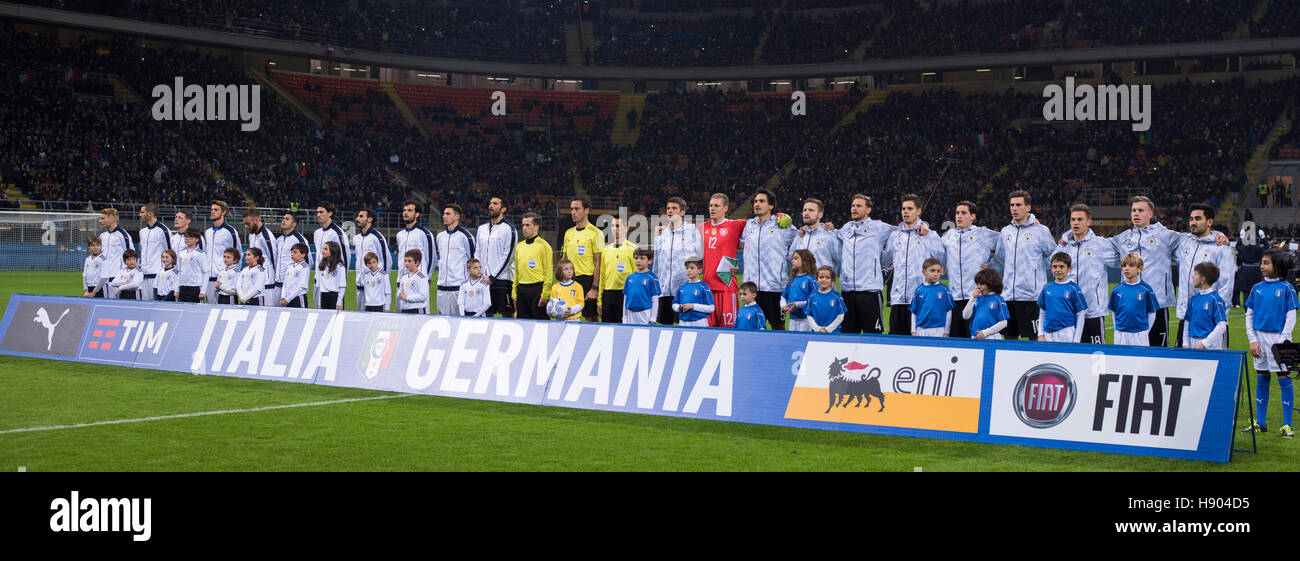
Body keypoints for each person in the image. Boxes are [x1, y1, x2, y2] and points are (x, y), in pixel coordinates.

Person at [1244, 248, 1299, 436]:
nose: (1262, 266)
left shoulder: (1287, 289)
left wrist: (1283, 340)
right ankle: (1260, 423)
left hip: (1279, 340)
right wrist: (1253, 340)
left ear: (1278, 266)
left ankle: (1287, 424)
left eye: (1266, 263)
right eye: (1262, 262)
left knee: (1283, 378)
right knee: (1262, 376)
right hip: (1259, 339)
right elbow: (1249, 316)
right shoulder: (1256, 288)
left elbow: (1291, 316)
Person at [993, 190, 1056, 340]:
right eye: (1012, 205)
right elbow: (999, 259)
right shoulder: (1005, 231)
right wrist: (986, 268)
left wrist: (1038, 267)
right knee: (1009, 339)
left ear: (1028, 207)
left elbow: (1054, 256)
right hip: (1008, 296)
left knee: (1035, 340)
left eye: (1018, 205)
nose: (1014, 208)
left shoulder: (1041, 231)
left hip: (1032, 297)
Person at [1173, 204, 1236, 349]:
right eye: (1191, 219)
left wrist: (1220, 315)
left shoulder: (1220, 247)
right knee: (1182, 365)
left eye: (1198, 218)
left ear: (1210, 222)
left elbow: (1226, 285)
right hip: (1186, 316)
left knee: (1215, 365)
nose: (1193, 222)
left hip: (1210, 318)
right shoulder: (1184, 242)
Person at [1055, 204, 1120, 343]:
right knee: (1070, 356)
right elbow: (1051, 263)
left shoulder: (1100, 244)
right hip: (1069, 313)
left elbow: (1120, 260)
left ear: (1089, 222)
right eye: (1073, 220)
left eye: (1080, 219)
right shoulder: (1065, 248)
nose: (1076, 223)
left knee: (1096, 356)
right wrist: (1061, 243)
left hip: (1093, 313)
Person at [885, 194, 944, 335]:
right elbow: (886, 260)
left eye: (910, 208)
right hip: (898, 300)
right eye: (903, 208)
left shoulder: (930, 235)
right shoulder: (895, 235)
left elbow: (942, 259)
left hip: (921, 301)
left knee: (919, 345)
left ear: (918, 211)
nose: (905, 212)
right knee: (895, 344)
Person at [837, 194, 896, 334]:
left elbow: (902, 230)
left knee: (873, 336)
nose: (854, 209)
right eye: (853, 206)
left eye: (859, 206)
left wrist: (923, 225)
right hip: (847, 292)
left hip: (870, 292)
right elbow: (831, 234)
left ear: (868, 210)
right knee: (848, 336)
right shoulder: (846, 228)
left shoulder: (878, 227)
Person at [941, 200, 1000, 339]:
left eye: (963, 213)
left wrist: (993, 266)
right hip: (954, 297)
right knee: (956, 341)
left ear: (972, 216)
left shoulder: (982, 234)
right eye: (957, 213)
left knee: (976, 340)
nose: (959, 216)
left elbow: (1007, 241)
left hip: (976, 297)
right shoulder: (949, 236)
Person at [742, 188, 796, 330]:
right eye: (755, 201)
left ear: (771, 206)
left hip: (775, 288)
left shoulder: (782, 225)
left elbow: (801, 237)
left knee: (778, 327)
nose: (757, 204)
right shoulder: (749, 226)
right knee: (751, 328)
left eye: (762, 201)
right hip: (752, 289)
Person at [700, 193, 747, 327]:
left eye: (716, 206)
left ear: (725, 208)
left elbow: (760, 223)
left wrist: (778, 216)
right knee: (708, 332)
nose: (712, 209)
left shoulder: (735, 225)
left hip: (726, 287)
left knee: (729, 330)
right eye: (710, 205)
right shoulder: (702, 227)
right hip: (707, 288)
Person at [654, 197, 703, 326]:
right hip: (664, 290)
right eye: (668, 208)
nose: (670, 211)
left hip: (685, 290)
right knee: (665, 328)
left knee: (687, 327)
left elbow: (700, 256)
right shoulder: (661, 233)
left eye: (674, 208)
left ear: (682, 212)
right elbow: (657, 262)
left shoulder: (693, 231)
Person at [475, 195, 518, 317]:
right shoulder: (481, 229)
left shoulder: (509, 229)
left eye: (495, 203)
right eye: (490, 203)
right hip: (483, 279)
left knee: (507, 315)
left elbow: (508, 257)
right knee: (485, 315)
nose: (490, 206)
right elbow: (477, 252)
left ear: (503, 209)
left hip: (502, 281)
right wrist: (479, 273)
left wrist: (492, 277)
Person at [562, 198, 603, 322]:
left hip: (588, 280)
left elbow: (599, 263)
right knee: (568, 315)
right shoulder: (568, 233)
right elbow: (564, 260)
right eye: (572, 209)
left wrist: (594, 288)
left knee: (590, 317)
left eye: (577, 209)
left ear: (586, 211)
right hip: (571, 280)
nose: (573, 212)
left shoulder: (596, 233)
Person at [1108, 253, 1160, 346]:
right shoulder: (1116, 290)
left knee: (1141, 360)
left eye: (1131, 265)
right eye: (1124, 266)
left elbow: (1152, 312)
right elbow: (1114, 311)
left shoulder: (1146, 289)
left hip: (1140, 334)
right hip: (1121, 334)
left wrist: (1145, 331)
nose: (1126, 268)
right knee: (1120, 359)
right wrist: (1117, 328)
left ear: (1140, 269)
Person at [1036, 253, 1088, 343]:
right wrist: (1040, 333)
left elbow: (1081, 314)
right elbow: (1042, 313)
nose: (1058, 270)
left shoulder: (1073, 288)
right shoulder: (1046, 288)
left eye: (1061, 267)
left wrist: (1076, 339)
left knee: (1065, 357)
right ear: (1051, 268)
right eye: (1055, 267)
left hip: (1066, 332)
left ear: (1069, 269)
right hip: (1047, 332)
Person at [436, 204, 475, 316]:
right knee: (442, 321)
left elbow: (472, 260)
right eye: (444, 213)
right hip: (442, 287)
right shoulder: (440, 237)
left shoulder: (466, 236)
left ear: (457, 216)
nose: (444, 216)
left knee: (459, 321)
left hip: (458, 287)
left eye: (448, 214)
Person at [513, 212, 553, 320]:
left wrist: (545, 294)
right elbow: (516, 271)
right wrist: (514, 293)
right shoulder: (519, 246)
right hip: (521, 290)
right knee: (523, 324)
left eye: (527, 225)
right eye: (523, 225)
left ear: (536, 226)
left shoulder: (544, 246)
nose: (524, 228)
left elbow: (548, 273)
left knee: (541, 326)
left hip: (537, 290)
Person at [788, 198, 841, 278]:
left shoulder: (830, 235)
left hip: (821, 288)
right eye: (804, 210)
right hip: (801, 288)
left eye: (811, 210)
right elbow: (790, 259)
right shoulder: (799, 236)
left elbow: (840, 260)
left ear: (820, 215)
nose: (806, 213)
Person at [598, 216, 637, 324]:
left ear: (627, 228)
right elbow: (602, 277)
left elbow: (636, 276)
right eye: (613, 226)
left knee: (624, 329)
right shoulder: (605, 250)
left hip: (625, 295)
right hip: (608, 295)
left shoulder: (633, 249)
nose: (615, 228)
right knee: (606, 328)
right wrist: (599, 301)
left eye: (618, 226)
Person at [1183, 262, 1229, 350]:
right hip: (1193, 344)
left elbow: (1222, 325)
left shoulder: (1215, 299)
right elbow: (1187, 322)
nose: (1192, 277)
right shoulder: (1193, 299)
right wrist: (1185, 343)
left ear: (1203, 280)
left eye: (1195, 274)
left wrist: (1204, 343)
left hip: (1210, 345)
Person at [203, 200, 241, 303]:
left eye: (216, 210)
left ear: (223, 212)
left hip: (224, 278)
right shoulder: (208, 232)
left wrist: (235, 277)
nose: (212, 212)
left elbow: (238, 254)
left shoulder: (231, 232)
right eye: (211, 210)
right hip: (208, 278)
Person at [353, 209, 390, 311]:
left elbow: (386, 260)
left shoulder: (377, 237)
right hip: (359, 287)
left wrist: (383, 281)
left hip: (374, 288)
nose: (357, 219)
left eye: (361, 216)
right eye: (357, 216)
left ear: (369, 219)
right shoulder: (356, 238)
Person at [313, 202, 348, 308]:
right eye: (317, 212)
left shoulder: (337, 233)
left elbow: (345, 257)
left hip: (333, 283)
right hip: (319, 280)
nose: (318, 215)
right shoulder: (317, 233)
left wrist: (341, 278)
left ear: (330, 213)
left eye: (321, 212)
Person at [137, 203, 173, 302]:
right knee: (145, 306)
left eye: (142, 212)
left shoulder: (163, 231)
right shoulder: (142, 232)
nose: (139, 214)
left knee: (157, 306)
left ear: (150, 213)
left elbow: (170, 252)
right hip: (144, 276)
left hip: (158, 276)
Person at [244, 209, 279, 307]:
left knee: (267, 313)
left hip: (267, 283)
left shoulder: (266, 236)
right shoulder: (251, 235)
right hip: (254, 281)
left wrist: (273, 279)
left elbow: (274, 258)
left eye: (248, 223)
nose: (246, 226)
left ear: (256, 220)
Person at [910, 258, 953, 337]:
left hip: (939, 329)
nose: (936, 274)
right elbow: (914, 311)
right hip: (921, 329)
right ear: (924, 272)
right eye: (932, 270)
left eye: (938, 271)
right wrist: (913, 330)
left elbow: (949, 311)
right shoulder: (919, 290)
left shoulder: (944, 289)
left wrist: (946, 331)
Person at [275, 212, 311, 307]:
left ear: (294, 224)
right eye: (283, 218)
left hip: (293, 287)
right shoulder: (278, 240)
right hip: (278, 285)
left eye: (287, 219)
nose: (283, 220)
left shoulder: (299, 239)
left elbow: (308, 261)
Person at [97, 208, 134, 299]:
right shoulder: (102, 236)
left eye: (103, 218)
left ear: (112, 218)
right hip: (104, 279)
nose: (100, 221)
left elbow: (131, 255)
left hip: (117, 279)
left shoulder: (123, 235)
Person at [964, 268, 1009, 339]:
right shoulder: (977, 298)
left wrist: (985, 333)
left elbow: (1004, 323)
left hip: (991, 337)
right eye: (977, 284)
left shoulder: (998, 300)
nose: (978, 286)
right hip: (975, 336)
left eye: (981, 284)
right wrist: (972, 298)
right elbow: (965, 316)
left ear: (991, 283)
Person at [782, 249, 818, 333]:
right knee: (792, 343)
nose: (792, 261)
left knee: (805, 342)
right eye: (792, 258)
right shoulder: (792, 279)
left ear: (804, 261)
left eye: (796, 258)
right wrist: (784, 306)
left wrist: (797, 305)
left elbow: (815, 300)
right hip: (793, 319)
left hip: (807, 319)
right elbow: (784, 296)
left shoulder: (811, 279)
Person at [622, 248, 661, 326]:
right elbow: (625, 298)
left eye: (642, 258)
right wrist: (624, 317)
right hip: (630, 313)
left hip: (645, 313)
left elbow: (655, 300)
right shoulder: (630, 278)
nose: (638, 261)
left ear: (649, 261)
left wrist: (653, 318)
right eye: (636, 258)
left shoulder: (652, 278)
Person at [673, 257, 715, 328]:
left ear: (699, 270)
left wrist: (693, 306)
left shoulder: (704, 287)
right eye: (687, 268)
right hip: (683, 322)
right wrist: (679, 307)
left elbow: (711, 308)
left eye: (692, 268)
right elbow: (674, 304)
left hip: (699, 322)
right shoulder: (682, 287)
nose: (689, 270)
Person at [806, 266, 847, 334]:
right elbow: (809, 315)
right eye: (821, 277)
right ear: (816, 279)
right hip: (816, 333)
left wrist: (828, 329)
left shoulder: (837, 296)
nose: (824, 280)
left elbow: (840, 316)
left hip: (834, 332)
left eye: (827, 277)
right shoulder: (812, 296)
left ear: (832, 280)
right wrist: (817, 328)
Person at [176, 228, 208, 303]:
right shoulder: (181, 253)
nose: (187, 239)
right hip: (183, 286)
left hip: (195, 287)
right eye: (186, 237)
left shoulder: (200, 254)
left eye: (190, 237)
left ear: (197, 239)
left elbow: (206, 272)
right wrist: (176, 289)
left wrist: (203, 291)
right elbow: (178, 271)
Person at [396, 249, 430, 314]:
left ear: (417, 263)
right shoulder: (404, 277)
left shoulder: (421, 277)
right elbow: (401, 292)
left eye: (409, 261)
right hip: (404, 309)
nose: (406, 263)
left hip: (416, 310)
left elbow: (423, 296)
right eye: (405, 261)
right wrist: (400, 294)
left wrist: (407, 298)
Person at [316, 241, 346, 310]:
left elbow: (342, 286)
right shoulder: (322, 266)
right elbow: (321, 286)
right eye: (323, 249)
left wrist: (339, 302)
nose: (323, 251)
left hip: (334, 297)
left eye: (326, 249)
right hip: (323, 297)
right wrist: (319, 303)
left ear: (333, 251)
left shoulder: (340, 267)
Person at [280, 244, 311, 308]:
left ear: (303, 255)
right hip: (287, 299)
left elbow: (301, 287)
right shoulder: (290, 266)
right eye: (291, 252)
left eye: (295, 252)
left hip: (298, 298)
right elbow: (285, 283)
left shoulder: (304, 267)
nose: (292, 254)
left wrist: (288, 299)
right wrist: (283, 297)